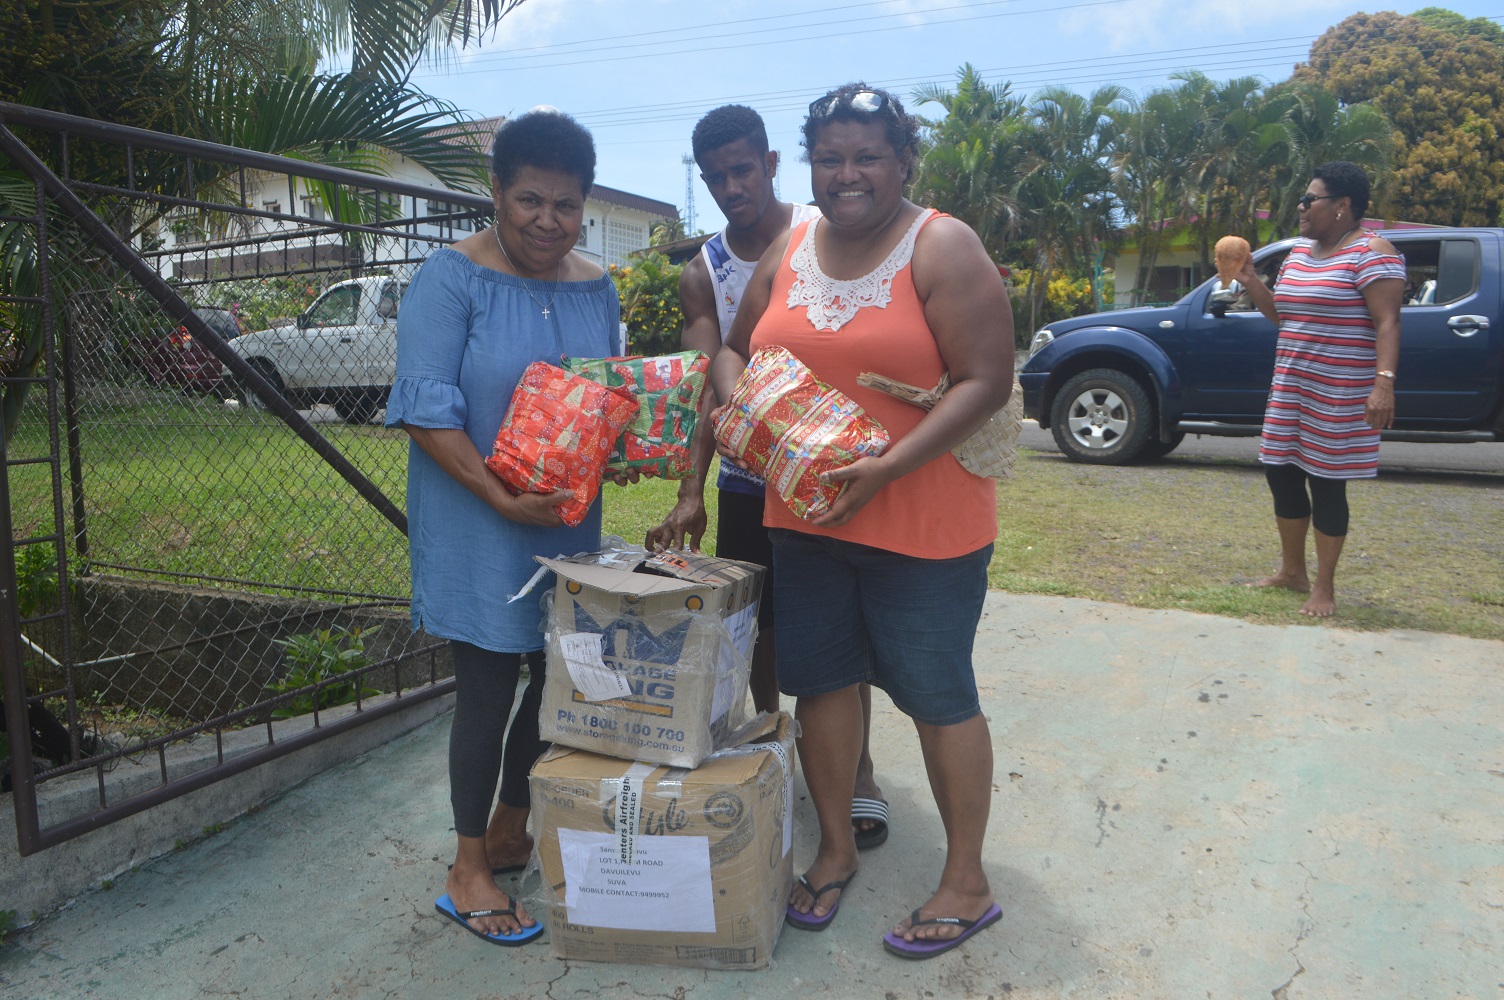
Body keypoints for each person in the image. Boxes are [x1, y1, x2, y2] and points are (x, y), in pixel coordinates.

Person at [707, 83, 1013, 958]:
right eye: (830, 157)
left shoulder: (940, 244)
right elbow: (733, 347)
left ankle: (967, 881)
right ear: (810, 165)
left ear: (903, 161)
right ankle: (835, 849)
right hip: (805, 521)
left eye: (867, 155)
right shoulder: (792, 244)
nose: (847, 174)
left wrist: (885, 469)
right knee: (822, 683)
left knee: (936, 694)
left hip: (924, 524)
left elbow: (986, 378)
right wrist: (746, 409)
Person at [385, 110, 622, 946]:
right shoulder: (450, 279)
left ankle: (513, 825)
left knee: (556, 681)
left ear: (584, 204)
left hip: (564, 522)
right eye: (529, 200)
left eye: (566, 205)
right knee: (486, 692)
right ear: (496, 192)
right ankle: (466, 867)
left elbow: (601, 399)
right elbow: (423, 408)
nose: (548, 222)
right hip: (475, 519)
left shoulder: (599, 284)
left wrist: (617, 450)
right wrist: (495, 496)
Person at [644, 104, 891, 850]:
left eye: (743, 169)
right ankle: (777, 748)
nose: (731, 187)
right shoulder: (705, 273)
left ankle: (860, 774)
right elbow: (705, 389)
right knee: (759, 630)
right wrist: (692, 491)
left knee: (841, 632)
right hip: (752, 483)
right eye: (716, 177)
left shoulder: (830, 230)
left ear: (772, 162)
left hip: (839, 472)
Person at [1235, 160, 1404, 617]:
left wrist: (1382, 385)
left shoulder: (1373, 251)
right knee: (1281, 472)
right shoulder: (1299, 255)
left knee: (1327, 482)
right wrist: (1252, 282)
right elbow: (1285, 318)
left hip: (1341, 389)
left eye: (1311, 199)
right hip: (1291, 384)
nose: (1301, 206)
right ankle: (1292, 571)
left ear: (1343, 206)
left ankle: (1324, 588)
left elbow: (1387, 320)